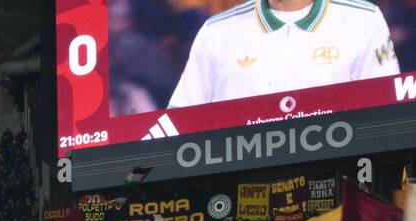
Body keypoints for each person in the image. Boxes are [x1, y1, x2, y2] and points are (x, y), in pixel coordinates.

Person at [169, 0, 399, 110]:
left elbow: (387, 113)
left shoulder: (364, 20)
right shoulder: (216, 31)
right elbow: (180, 121)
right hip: (240, 193)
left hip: (335, 186)